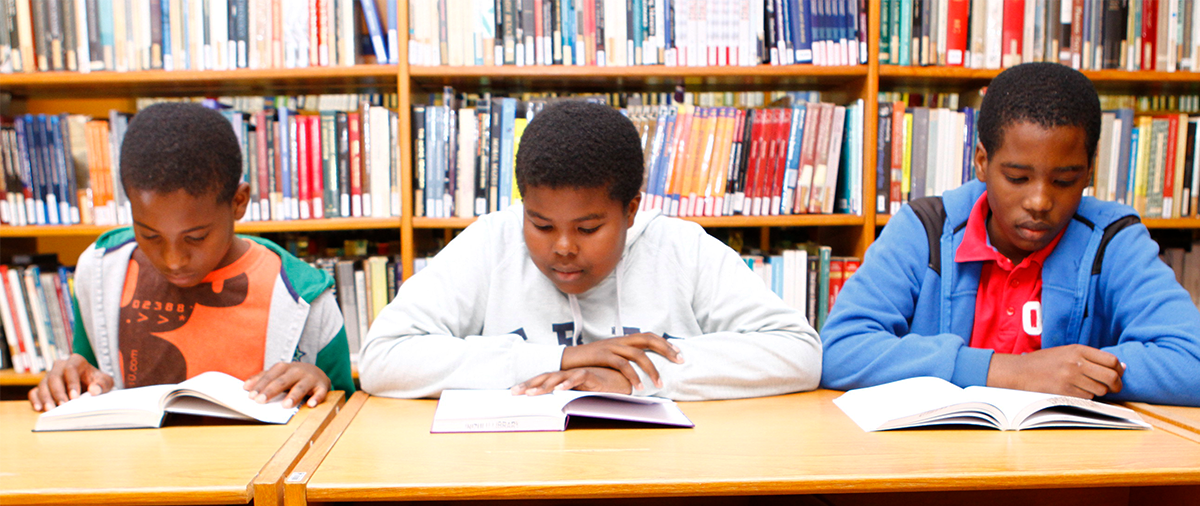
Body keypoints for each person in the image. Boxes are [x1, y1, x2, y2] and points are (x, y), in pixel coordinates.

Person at [359, 100, 821, 400]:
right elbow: (382, 360)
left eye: (588, 227)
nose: (562, 248)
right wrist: (557, 360)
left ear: (631, 210)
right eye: (541, 225)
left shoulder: (683, 249)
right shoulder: (490, 243)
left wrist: (635, 377)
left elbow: (799, 352)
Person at [821, 62, 1200, 406]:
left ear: (1089, 172)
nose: (1039, 201)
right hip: (931, 465)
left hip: (1068, 469)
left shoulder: (1113, 239)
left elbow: (1192, 361)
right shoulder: (925, 227)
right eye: (1017, 178)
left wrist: (1077, 374)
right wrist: (1010, 373)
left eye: (1065, 180)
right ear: (982, 162)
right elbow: (841, 349)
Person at [28, 102, 355, 412]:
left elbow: (347, 423)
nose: (173, 260)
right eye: (150, 235)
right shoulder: (102, 272)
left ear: (239, 202)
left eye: (196, 237)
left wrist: (321, 384)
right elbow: (88, 381)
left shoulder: (306, 298)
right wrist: (70, 380)